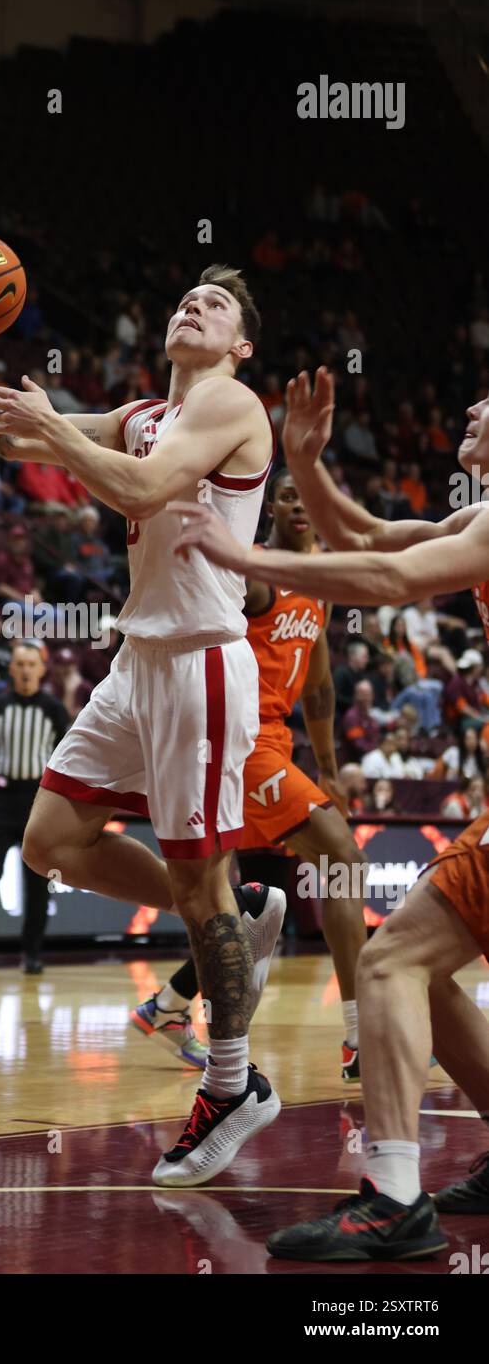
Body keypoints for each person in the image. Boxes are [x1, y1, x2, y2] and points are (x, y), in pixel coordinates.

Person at [0, 261, 282, 1186]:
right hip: (136, 662)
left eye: (215, 305)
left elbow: (144, 491)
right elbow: (6, 438)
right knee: (49, 843)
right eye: (185, 297)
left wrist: (51, 428)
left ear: (240, 345)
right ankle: (235, 921)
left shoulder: (233, 403)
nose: (190, 305)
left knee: (196, 893)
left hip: (201, 661)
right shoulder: (139, 414)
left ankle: (233, 1087)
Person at [172, 369, 489, 1259]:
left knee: (389, 960)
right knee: (419, 963)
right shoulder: (478, 519)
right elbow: (373, 534)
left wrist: (250, 559)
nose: (471, 407)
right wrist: (308, 465)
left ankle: (392, 1194)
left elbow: (387, 577)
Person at [132, 467, 368, 1078]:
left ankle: (169, 1004)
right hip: (240, 738)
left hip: (278, 747)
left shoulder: (319, 587)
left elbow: (318, 691)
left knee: (258, 906)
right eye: (286, 496)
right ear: (272, 510)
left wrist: (330, 769)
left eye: (306, 498)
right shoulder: (256, 570)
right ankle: (360, 1034)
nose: (297, 506)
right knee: (342, 862)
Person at [0, 642, 69, 974]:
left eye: (30, 664)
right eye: (19, 663)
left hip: (38, 802)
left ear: (41, 669)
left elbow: (66, 758)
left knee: (37, 881)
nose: (24, 669)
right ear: (11, 668)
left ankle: (32, 953)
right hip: (2, 799)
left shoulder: (53, 709)